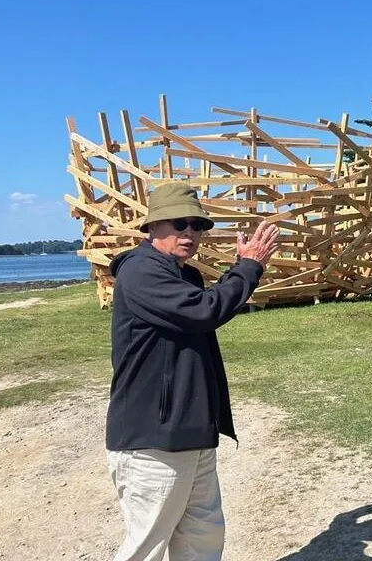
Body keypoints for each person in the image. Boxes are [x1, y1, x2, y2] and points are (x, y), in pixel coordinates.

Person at [105, 182, 279, 561]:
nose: (189, 233)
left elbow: (204, 306)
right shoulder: (141, 272)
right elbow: (205, 312)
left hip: (191, 431)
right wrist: (249, 266)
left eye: (197, 226)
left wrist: (243, 269)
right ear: (152, 227)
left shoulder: (184, 277)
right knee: (145, 548)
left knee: (203, 539)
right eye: (178, 223)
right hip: (153, 438)